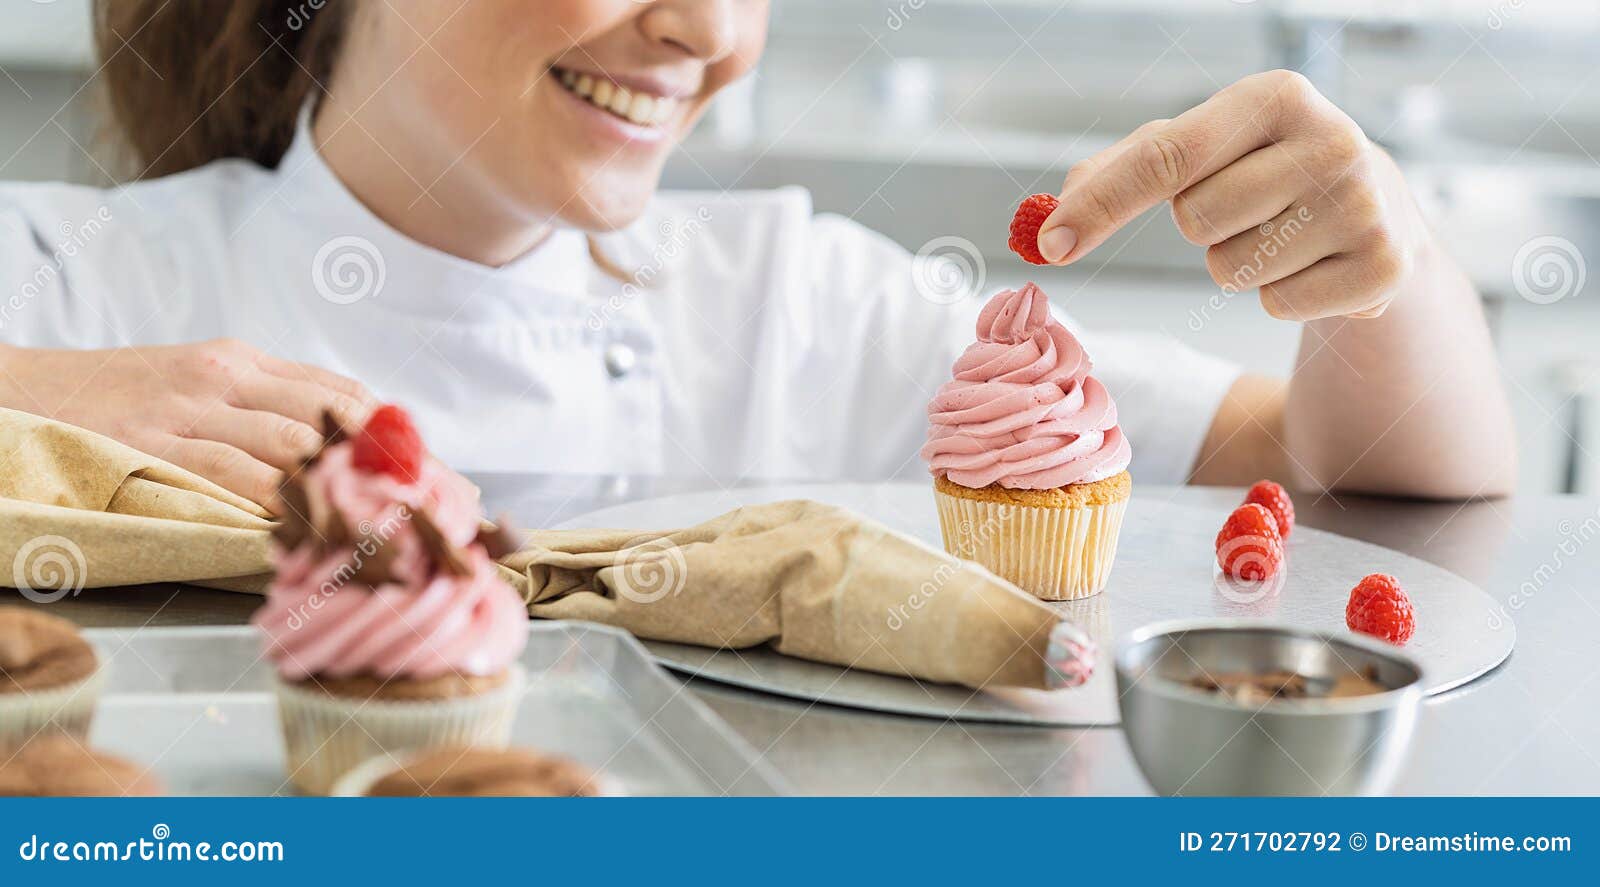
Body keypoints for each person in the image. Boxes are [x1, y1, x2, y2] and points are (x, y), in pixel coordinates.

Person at [0, 0, 1514, 512]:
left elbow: (1343, 480)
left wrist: (1392, 276)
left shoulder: (802, 308)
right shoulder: (75, 288)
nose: (712, 35)